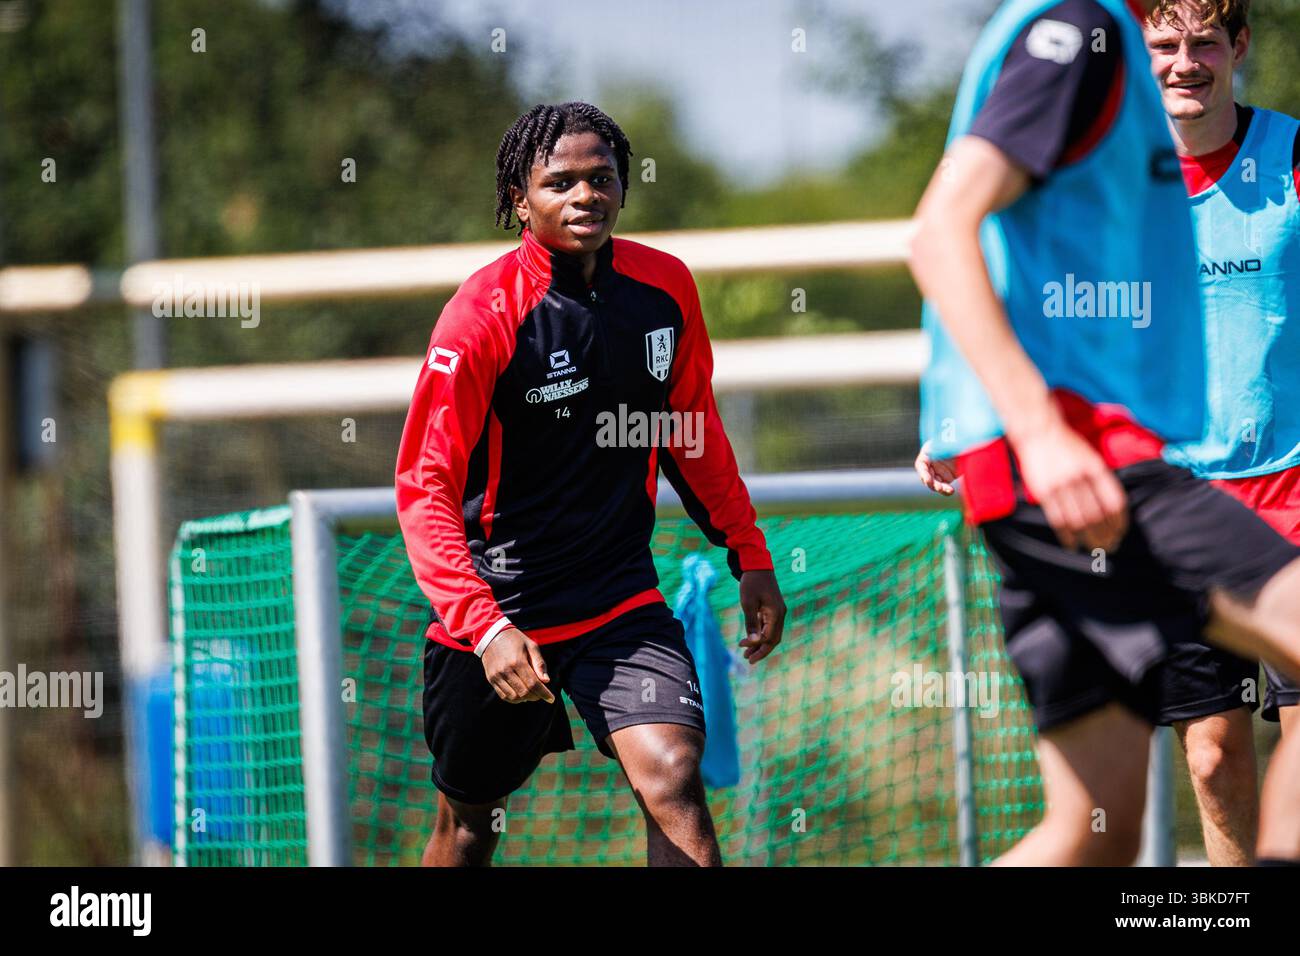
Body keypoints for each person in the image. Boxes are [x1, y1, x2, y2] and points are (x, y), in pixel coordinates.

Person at [908, 0, 1300, 865]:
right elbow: (940, 232)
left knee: (1094, 831)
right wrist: (1034, 429)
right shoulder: (1077, 30)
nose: (1185, 59)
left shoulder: (1096, 39)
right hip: (1084, 463)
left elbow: (1022, 254)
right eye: (1172, 40)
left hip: (1063, 469)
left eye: (1206, 40)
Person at [395, 102, 786, 867]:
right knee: (470, 826)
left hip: (618, 600)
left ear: (624, 187)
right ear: (519, 198)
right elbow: (424, 484)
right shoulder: (480, 317)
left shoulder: (665, 289)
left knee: (675, 777)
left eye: (601, 178)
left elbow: (688, 429)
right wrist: (485, 625)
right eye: (560, 182)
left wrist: (752, 554)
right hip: (499, 611)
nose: (585, 196)